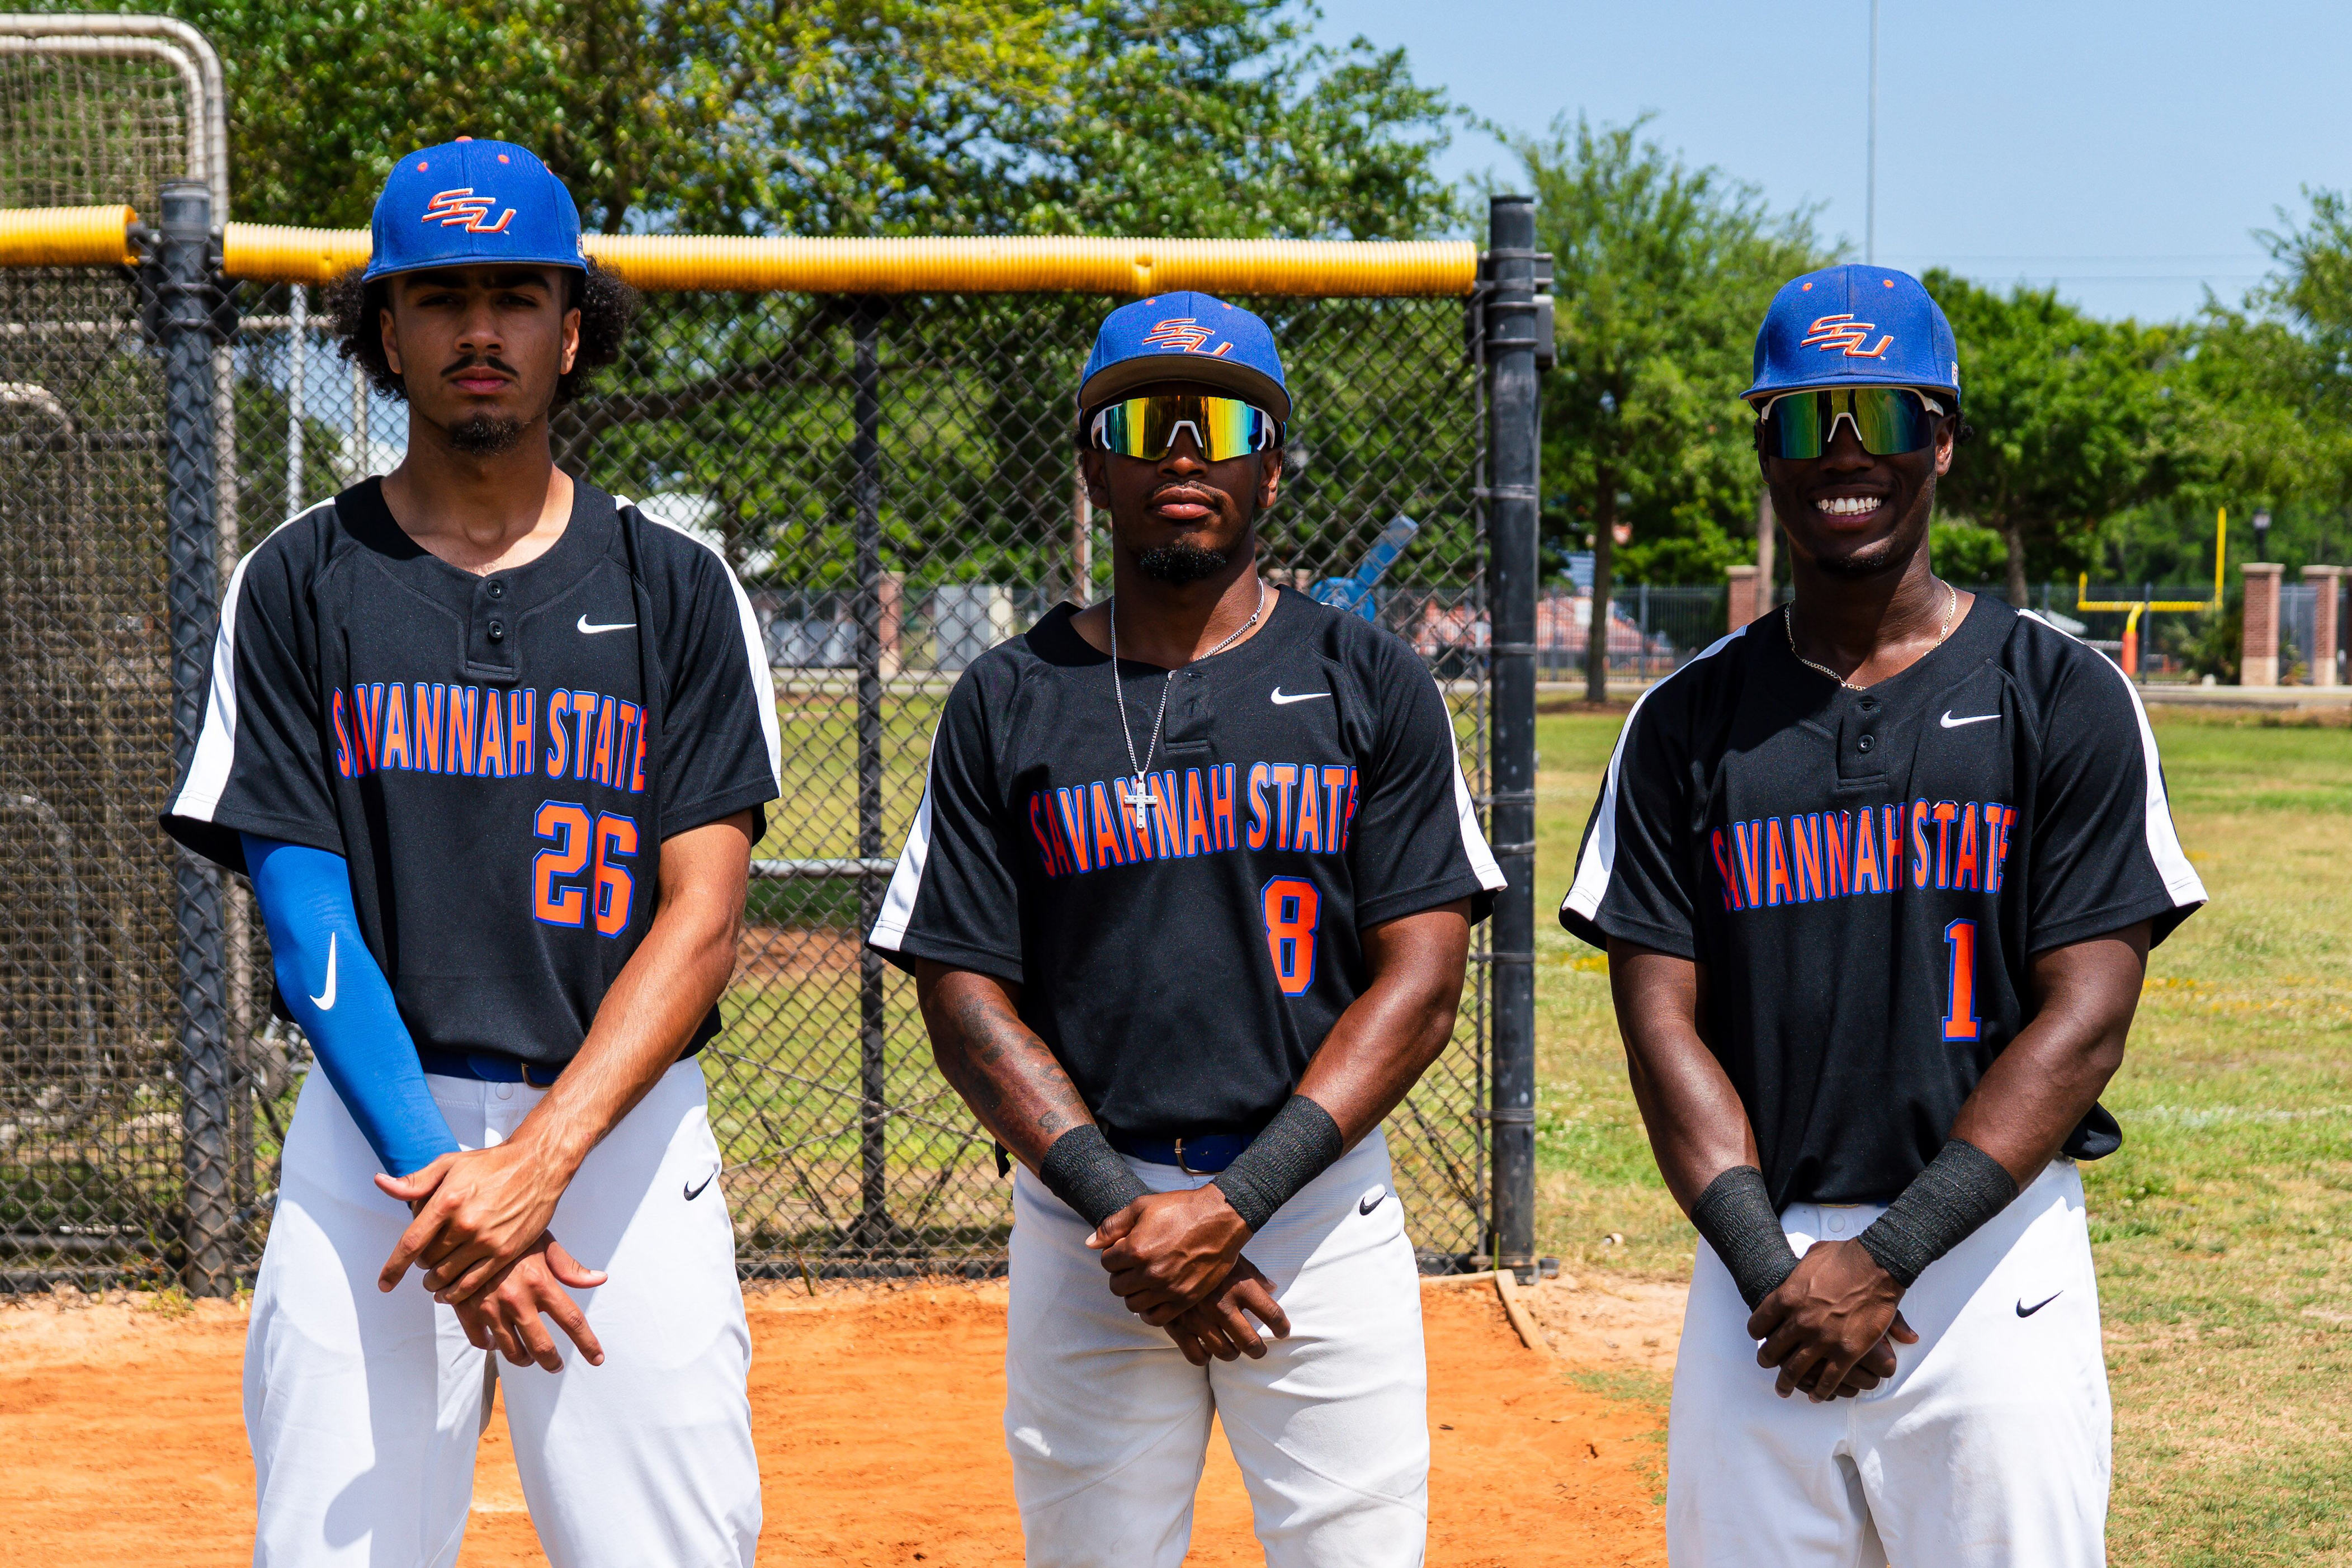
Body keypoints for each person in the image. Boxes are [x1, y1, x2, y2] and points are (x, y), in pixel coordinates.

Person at [160, 139, 780, 1567]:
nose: (481, 329)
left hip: (619, 1137)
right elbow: (303, 904)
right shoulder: (301, 579)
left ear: (574, 329)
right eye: (441, 297)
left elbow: (702, 919)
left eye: (519, 293)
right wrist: (451, 1182)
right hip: (376, 1148)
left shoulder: (677, 588)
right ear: (386, 330)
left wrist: (537, 1167)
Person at [1561, 263, 2207, 1565]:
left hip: (1988, 1265)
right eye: (1806, 419)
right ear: (1765, 448)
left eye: (1884, 415)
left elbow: (2087, 1018)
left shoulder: (2061, 694)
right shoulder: (1684, 724)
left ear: (1943, 440)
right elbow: (1658, 1023)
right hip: (1761, 1282)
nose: (1844, 453)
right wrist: (1772, 1268)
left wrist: (1893, 1256)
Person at [868, 291, 1505, 1566]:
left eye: (1218, 422)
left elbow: (1426, 981)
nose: (1181, 451)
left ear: (1270, 468)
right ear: (1092, 463)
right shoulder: (1008, 697)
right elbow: (961, 994)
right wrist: (1132, 1214)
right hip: (1087, 1228)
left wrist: (1236, 1203)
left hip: (1316, 1219)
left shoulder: (1366, 678)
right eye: (1143, 420)